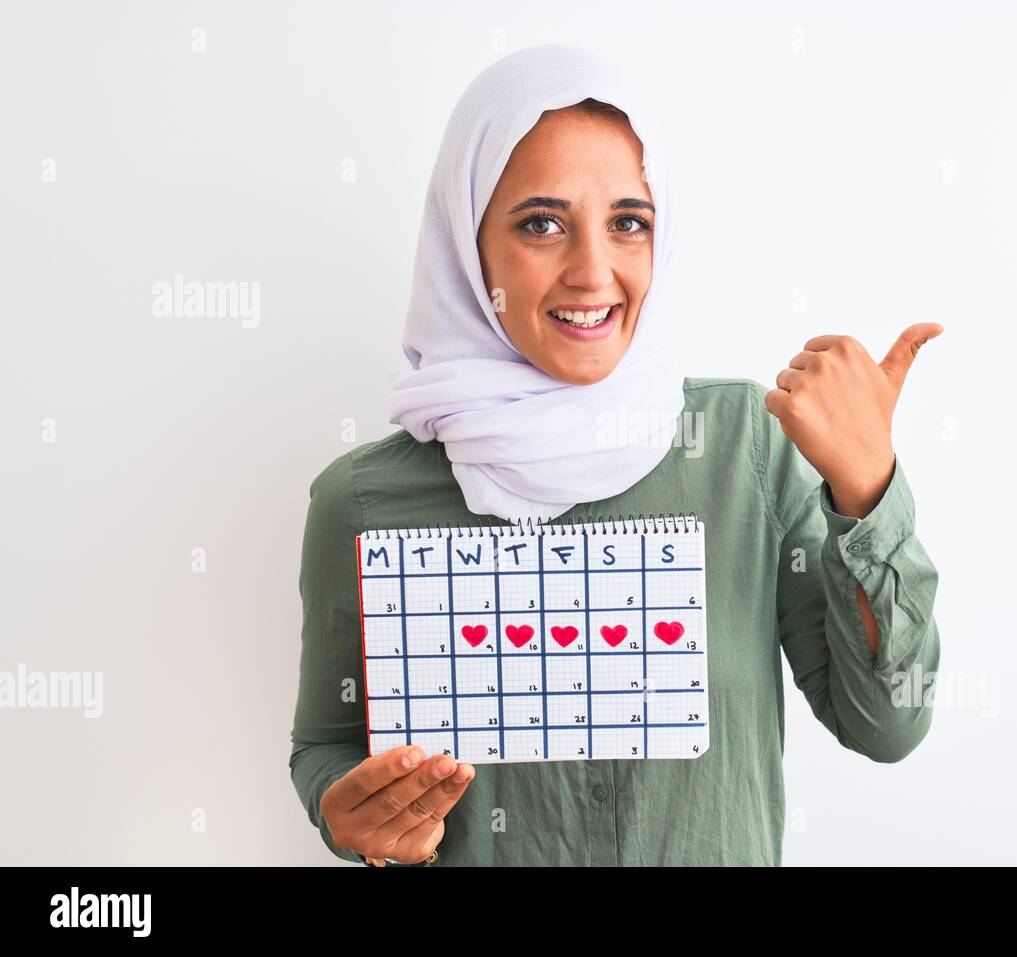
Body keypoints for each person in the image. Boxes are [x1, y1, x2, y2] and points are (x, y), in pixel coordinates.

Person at [289, 44, 943, 867]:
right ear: (467, 241)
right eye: (541, 223)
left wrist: (866, 488)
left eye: (628, 222)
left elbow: (886, 724)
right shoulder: (363, 501)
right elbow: (325, 743)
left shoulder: (744, 445)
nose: (593, 271)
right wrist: (345, 814)